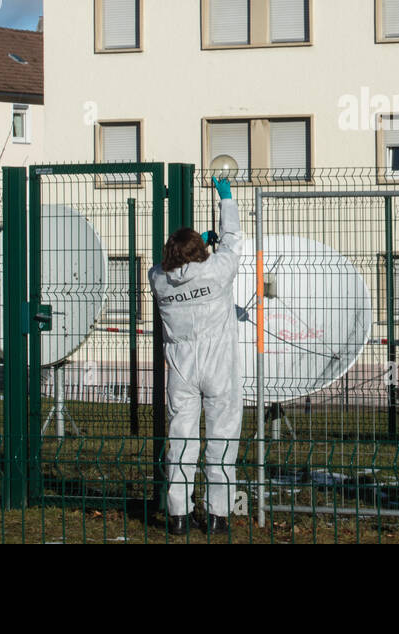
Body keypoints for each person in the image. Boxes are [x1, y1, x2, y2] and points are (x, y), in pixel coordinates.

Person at [148, 175, 243, 535]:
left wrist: (195, 246)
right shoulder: (216, 273)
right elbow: (232, 243)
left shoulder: (158, 280)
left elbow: (169, 268)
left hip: (182, 371)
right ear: (200, 254)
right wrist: (226, 200)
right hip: (218, 366)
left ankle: (178, 517)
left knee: (182, 443)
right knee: (221, 441)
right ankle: (218, 516)